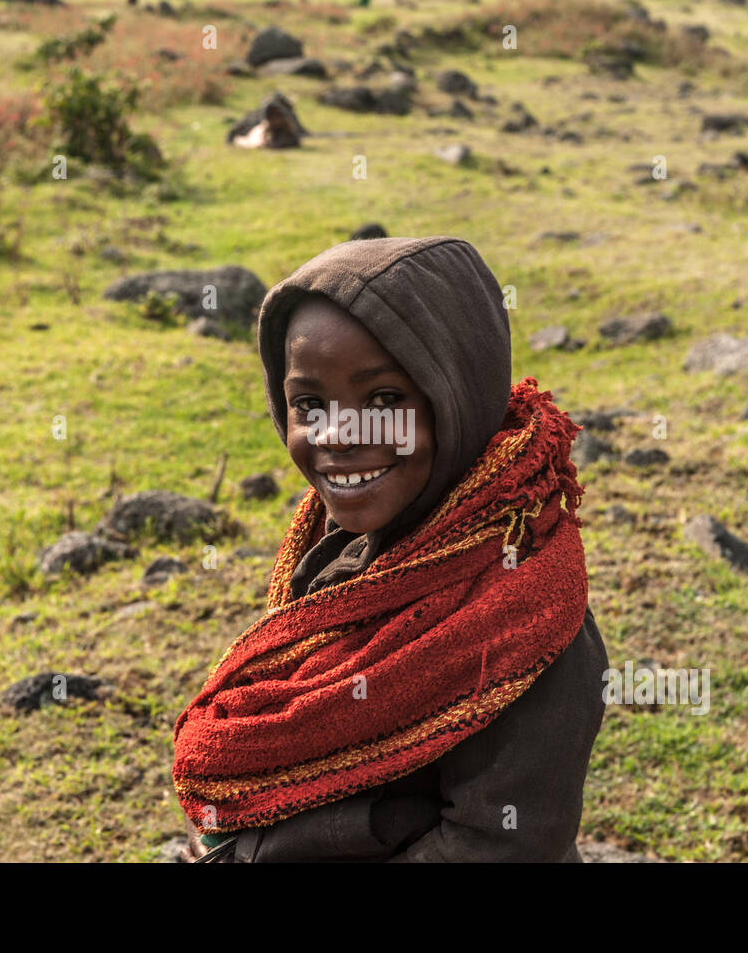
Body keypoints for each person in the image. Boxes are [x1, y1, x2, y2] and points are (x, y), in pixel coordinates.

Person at [172, 235, 608, 862]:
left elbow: (503, 847)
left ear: (458, 392)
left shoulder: (524, 610)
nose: (339, 435)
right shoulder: (340, 545)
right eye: (309, 403)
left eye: (384, 400)